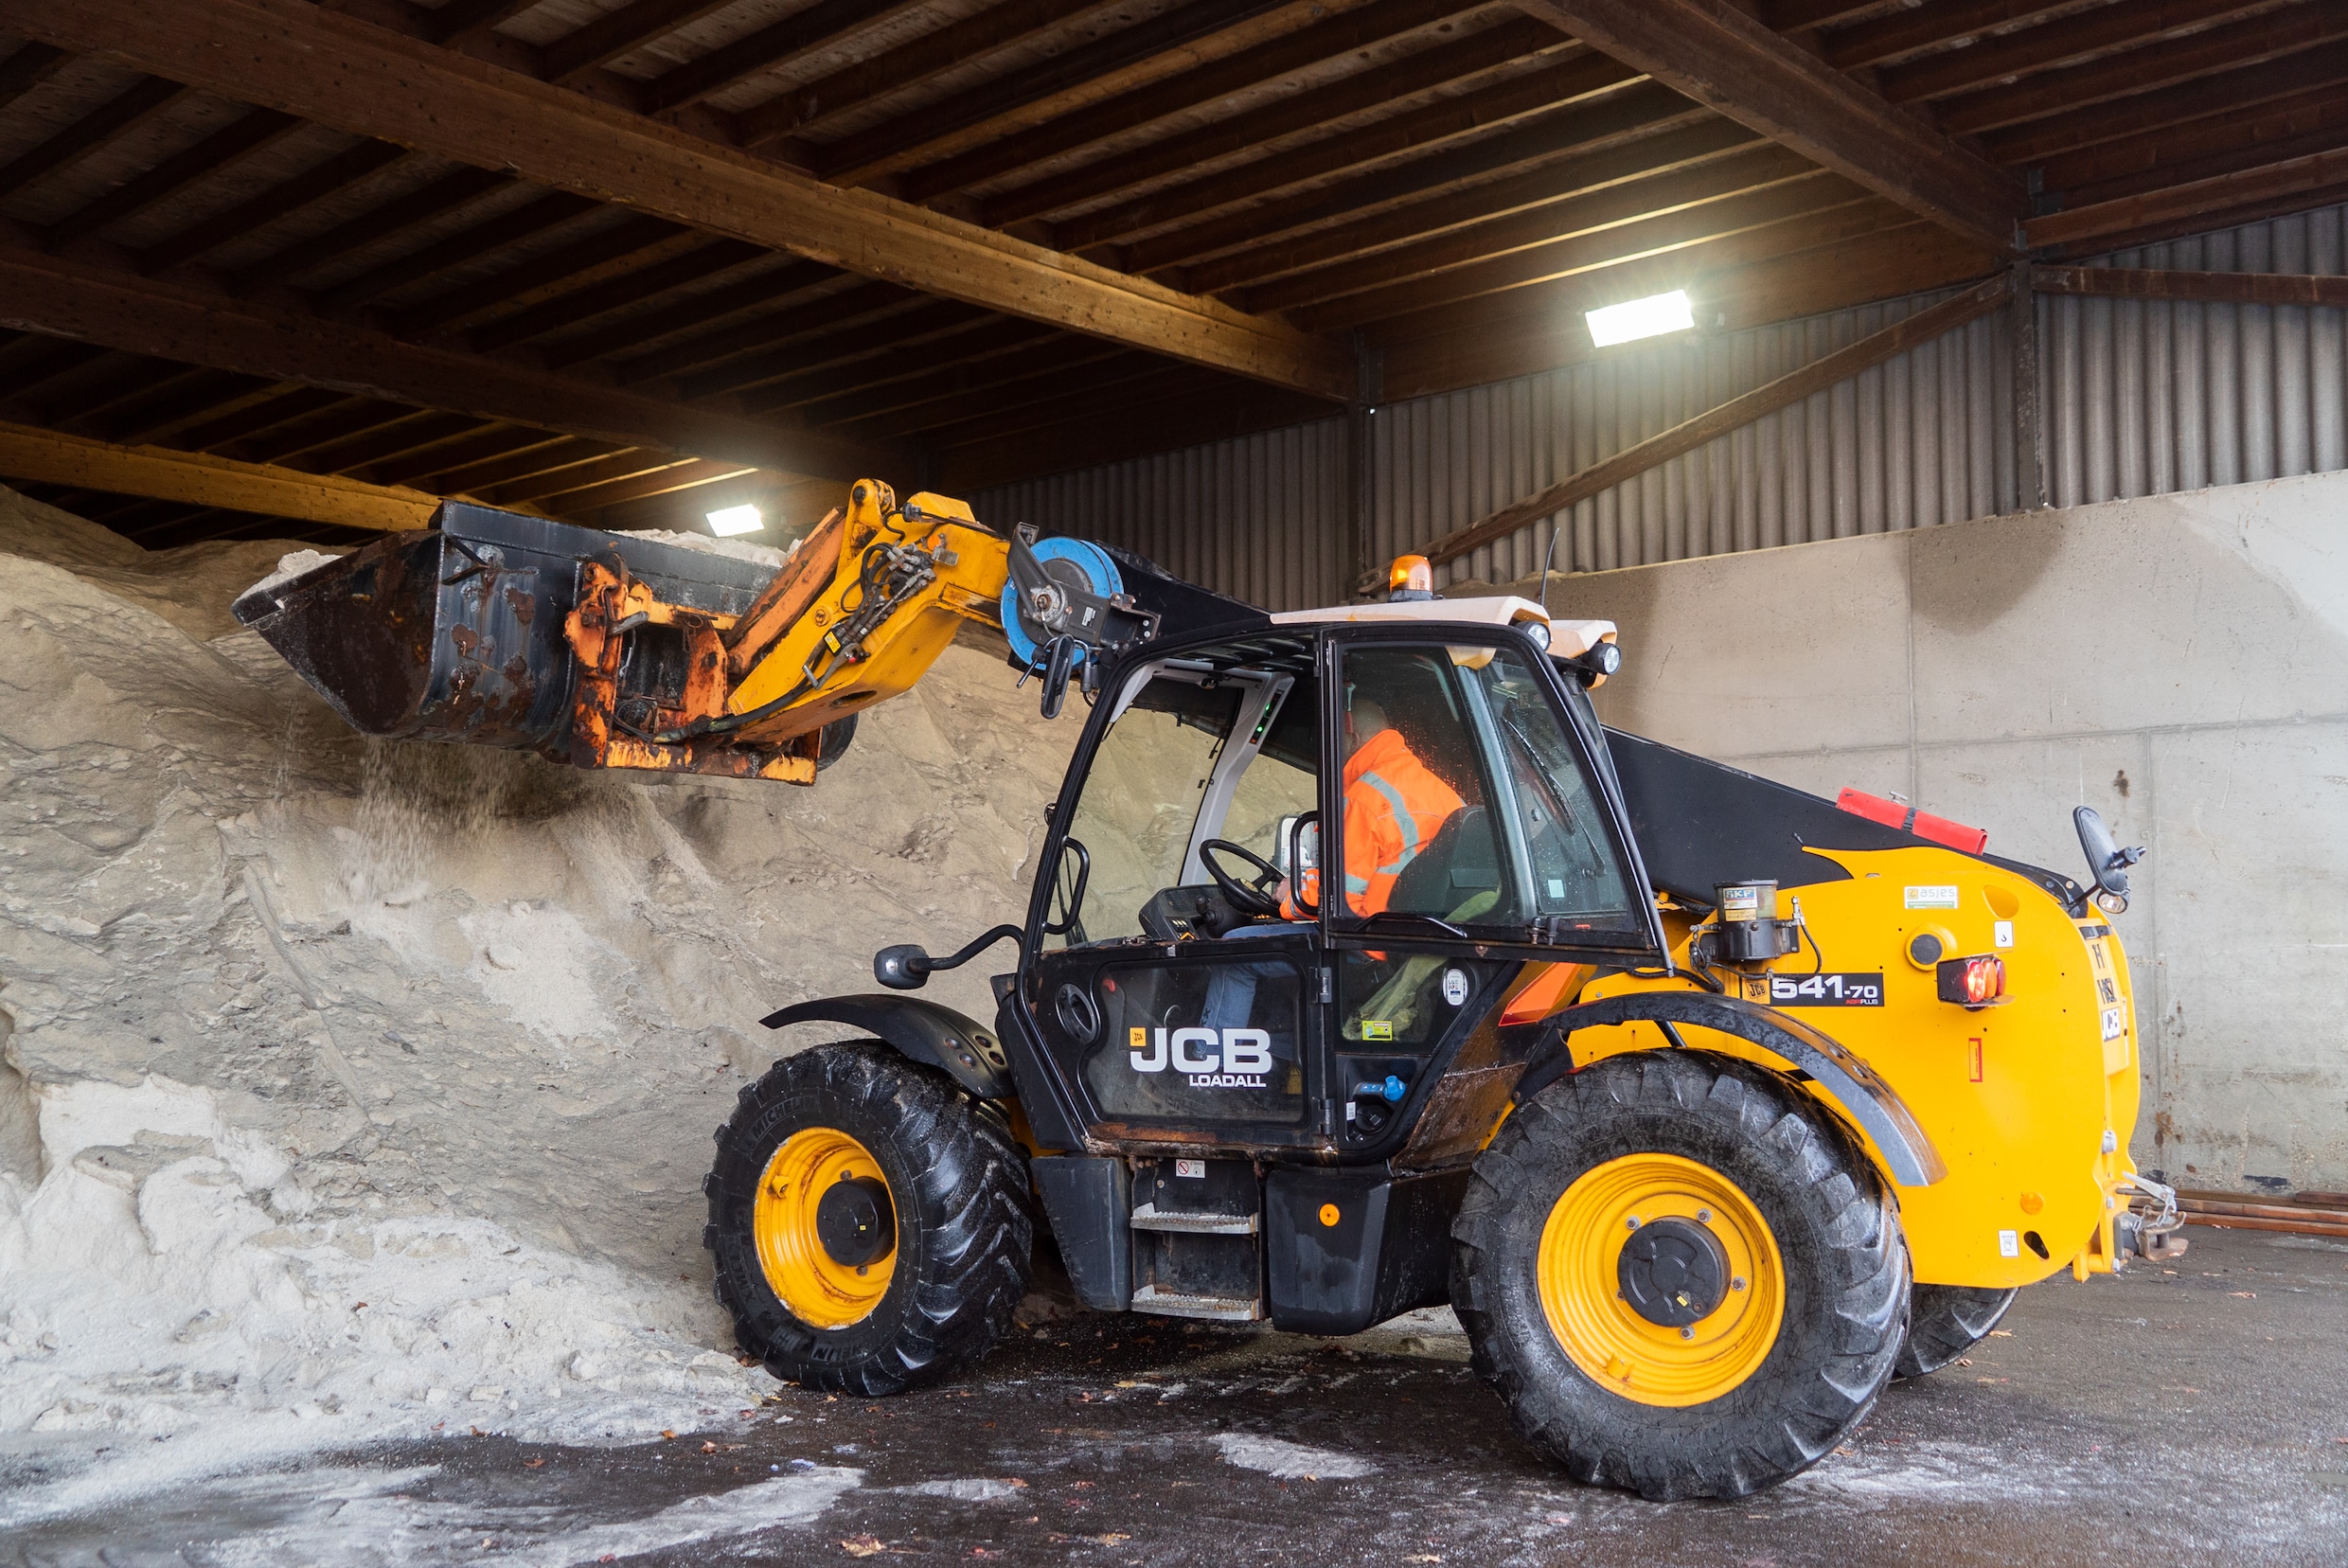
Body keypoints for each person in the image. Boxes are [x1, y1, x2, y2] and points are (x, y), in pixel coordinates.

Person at [1282, 693, 1463, 918]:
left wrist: (1290, 897)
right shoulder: (1444, 793)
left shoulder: (1362, 801)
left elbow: (1339, 901)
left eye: (1336, 741)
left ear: (1353, 740)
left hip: (1378, 934)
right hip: (1427, 929)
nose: (1330, 751)